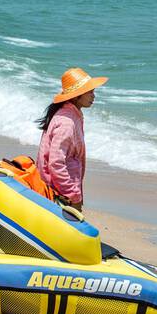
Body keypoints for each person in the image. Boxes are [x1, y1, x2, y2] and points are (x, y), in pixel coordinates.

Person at [36, 67, 107, 212]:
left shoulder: (71, 114)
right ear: (76, 96)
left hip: (63, 189)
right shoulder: (67, 123)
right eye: (90, 92)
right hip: (60, 193)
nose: (94, 96)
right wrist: (73, 196)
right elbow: (56, 163)